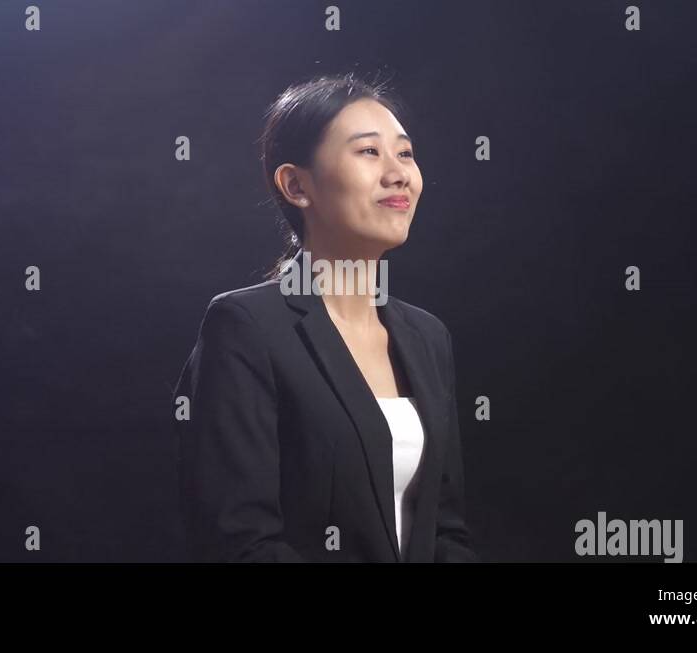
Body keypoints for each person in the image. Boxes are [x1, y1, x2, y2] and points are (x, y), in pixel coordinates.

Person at [172, 73, 478, 562]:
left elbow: (444, 531)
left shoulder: (428, 337)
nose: (399, 173)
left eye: (404, 153)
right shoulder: (245, 327)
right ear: (296, 185)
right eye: (368, 152)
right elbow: (238, 543)